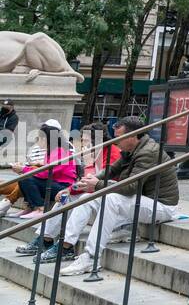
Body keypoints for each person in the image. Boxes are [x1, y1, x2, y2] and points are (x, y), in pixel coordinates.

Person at [31, 116, 180, 275]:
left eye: (119, 137)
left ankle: (91, 257)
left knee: (110, 198)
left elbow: (131, 187)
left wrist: (96, 185)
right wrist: (77, 186)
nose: (116, 141)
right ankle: (65, 245)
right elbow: (109, 172)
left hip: (162, 206)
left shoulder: (148, 152)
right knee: (86, 198)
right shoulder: (131, 149)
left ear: (133, 136)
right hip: (140, 200)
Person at [13, 120, 75, 218]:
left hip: (63, 186)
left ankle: (40, 208)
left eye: (39, 138)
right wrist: (24, 169)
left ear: (47, 139)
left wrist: (24, 169)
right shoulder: (50, 151)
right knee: (24, 178)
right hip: (53, 183)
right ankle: (31, 207)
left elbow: (46, 172)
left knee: (26, 178)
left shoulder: (61, 151)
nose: (37, 141)